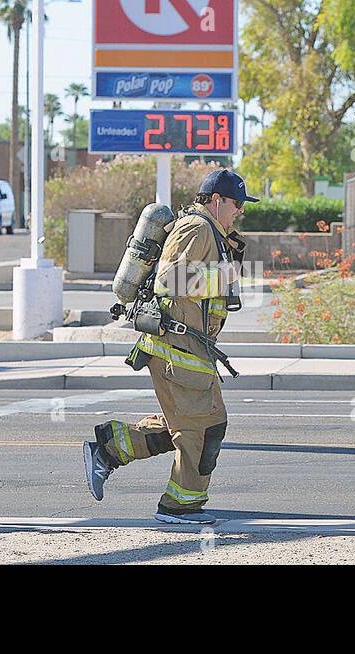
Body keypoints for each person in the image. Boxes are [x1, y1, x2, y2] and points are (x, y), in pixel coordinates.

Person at [82, 169, 254, 525]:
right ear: (217, 200)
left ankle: (111, 447)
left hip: (189, 347)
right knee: (205, 428)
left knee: (191, 425)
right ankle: (179, 507)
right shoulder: (196, 227)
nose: (239, 211)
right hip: (177, 347)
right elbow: (170, 279)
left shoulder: (212, 231)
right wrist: (225, 276)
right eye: (236, 204)